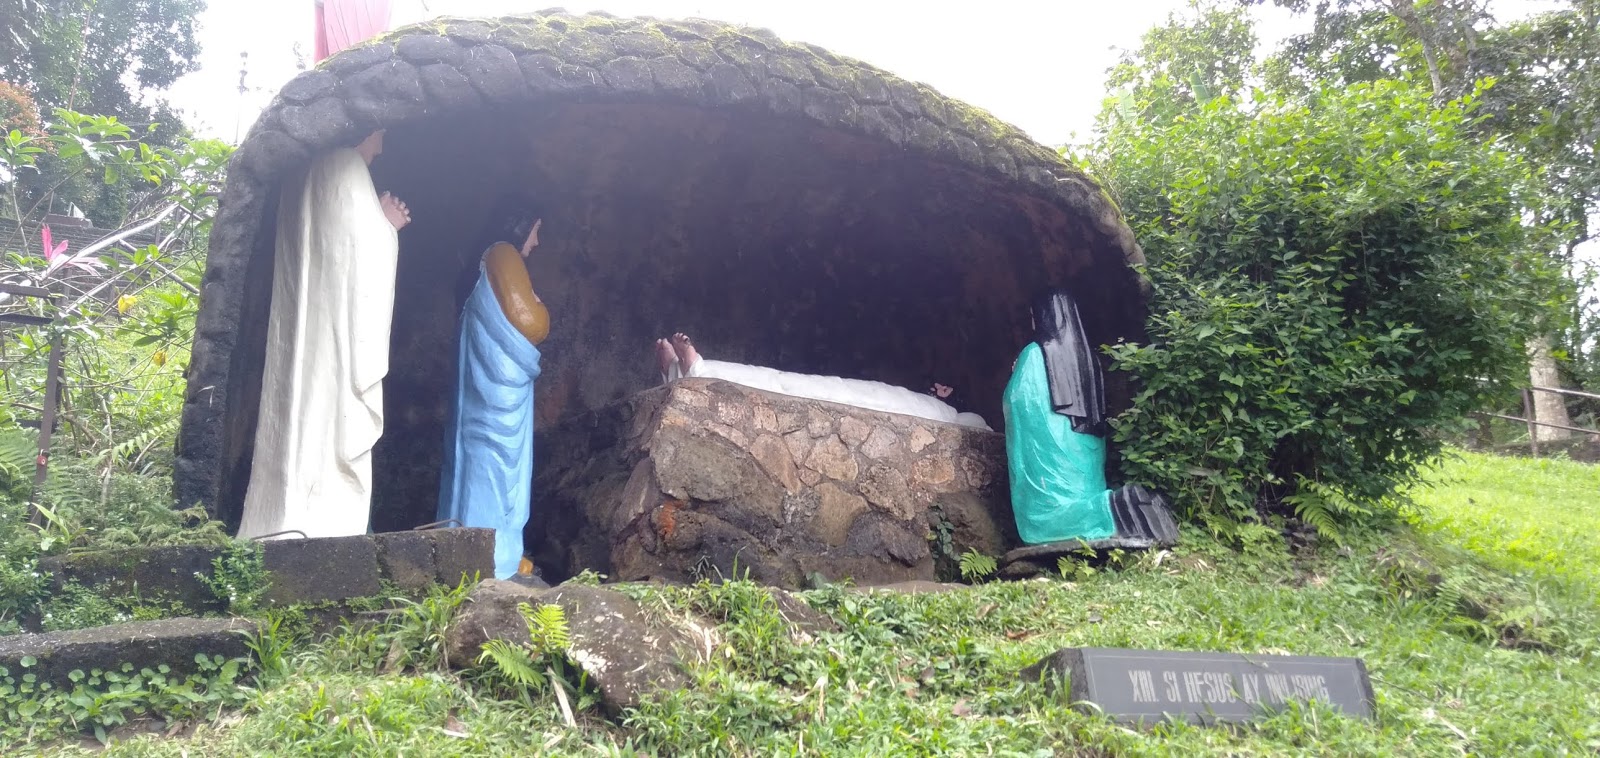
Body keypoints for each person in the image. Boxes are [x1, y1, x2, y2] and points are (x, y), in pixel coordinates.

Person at [238, 130, 410, 540]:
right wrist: (388, 227)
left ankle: (280, 515)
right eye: (379, 135)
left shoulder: (300, 175)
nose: (380, 148)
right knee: (327, 419)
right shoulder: (346, 167)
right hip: (333, 337)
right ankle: (324, 519)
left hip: (302, 329)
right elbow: (357, 259)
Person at [1003, 288, 1178, 545]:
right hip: (1084, 451)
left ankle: (1113, 509)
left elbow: (1020, 400)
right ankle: (1118, 505)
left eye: (1034, 316)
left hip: (1049, 454)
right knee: (1082, 495)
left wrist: (1015, 373)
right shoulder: (1090, 360)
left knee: (1044, 514)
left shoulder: (1035, 352)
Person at [437, 196, 548, 580]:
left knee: (475, 461)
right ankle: (493, 556)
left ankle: (471, 547)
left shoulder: (484, 263)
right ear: (520, 226)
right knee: (494, 463)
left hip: (486, 385)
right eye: (535, 231)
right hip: (497, 391)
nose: (535, 243)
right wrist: (541, 308)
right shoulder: (504, 255)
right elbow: (530, 322)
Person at [655, 333, 991, 430]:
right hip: (879, 395)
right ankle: (684, 371)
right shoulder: (934, 405)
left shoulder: (950, 417)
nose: (940, 389)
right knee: (786, 381)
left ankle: (696, 369)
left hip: (881, 401)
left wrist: (947, 402)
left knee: (783, 385)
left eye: (947, 390)